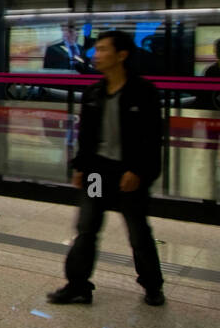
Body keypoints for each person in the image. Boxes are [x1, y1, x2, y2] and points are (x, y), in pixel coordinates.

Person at [48, 29, 165, 307]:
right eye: (96, 50)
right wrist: (80, 167)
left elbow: (151, 138)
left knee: (138, 232)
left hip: (129, 174)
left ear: (121, 55)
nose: (96, 55)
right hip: (98, 173)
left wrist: (137, 170)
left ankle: (152, 285)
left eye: (102, 50)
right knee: (87, 228)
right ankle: (78, 285)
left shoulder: (143, 92)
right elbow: (86, 136)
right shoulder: (94, 92)